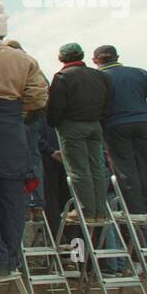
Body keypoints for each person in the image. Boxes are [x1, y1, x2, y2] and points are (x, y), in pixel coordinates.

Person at [0, 5, 48, 276]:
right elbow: (39, 97)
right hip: (12, 125)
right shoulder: (23, 59)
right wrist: (20, 111)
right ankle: (11, 256)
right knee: (12, 196)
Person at [93, 44, 147, 219]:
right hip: (143, 121)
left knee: (125, 166)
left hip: (115, 124)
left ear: (96, 60)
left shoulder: (99, 78)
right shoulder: (140, 73)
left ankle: (135, 210)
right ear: (117, 57)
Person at [46, 41, 111, 220]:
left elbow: (56, 107)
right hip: (95, 125)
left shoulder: (62, 77)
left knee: (78, 170)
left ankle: (85, 210)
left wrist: (54, 123)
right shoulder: (99, 76)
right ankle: (100, 210)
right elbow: (107, 101)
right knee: (96, 168)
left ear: (61, 58)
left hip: (72, 125)